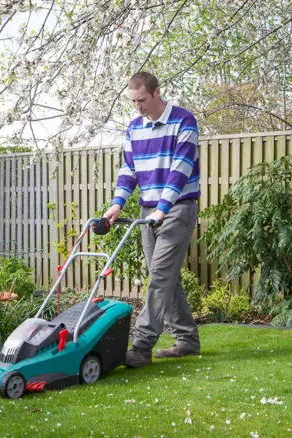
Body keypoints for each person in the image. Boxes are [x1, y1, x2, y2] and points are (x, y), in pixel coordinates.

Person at [103, 71, 201, 368]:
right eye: (133, 101)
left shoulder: (184, 121)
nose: (138, 106)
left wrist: (163, 207)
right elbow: (129, 170)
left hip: (178, 208)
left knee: (159, 275)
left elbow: (180, 169)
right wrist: (117, 204)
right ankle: (188, 340)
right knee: (165, 277)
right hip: (149, 214)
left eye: (142, 100)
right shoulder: (134, 128)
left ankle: (142, 345)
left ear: (157, 93)